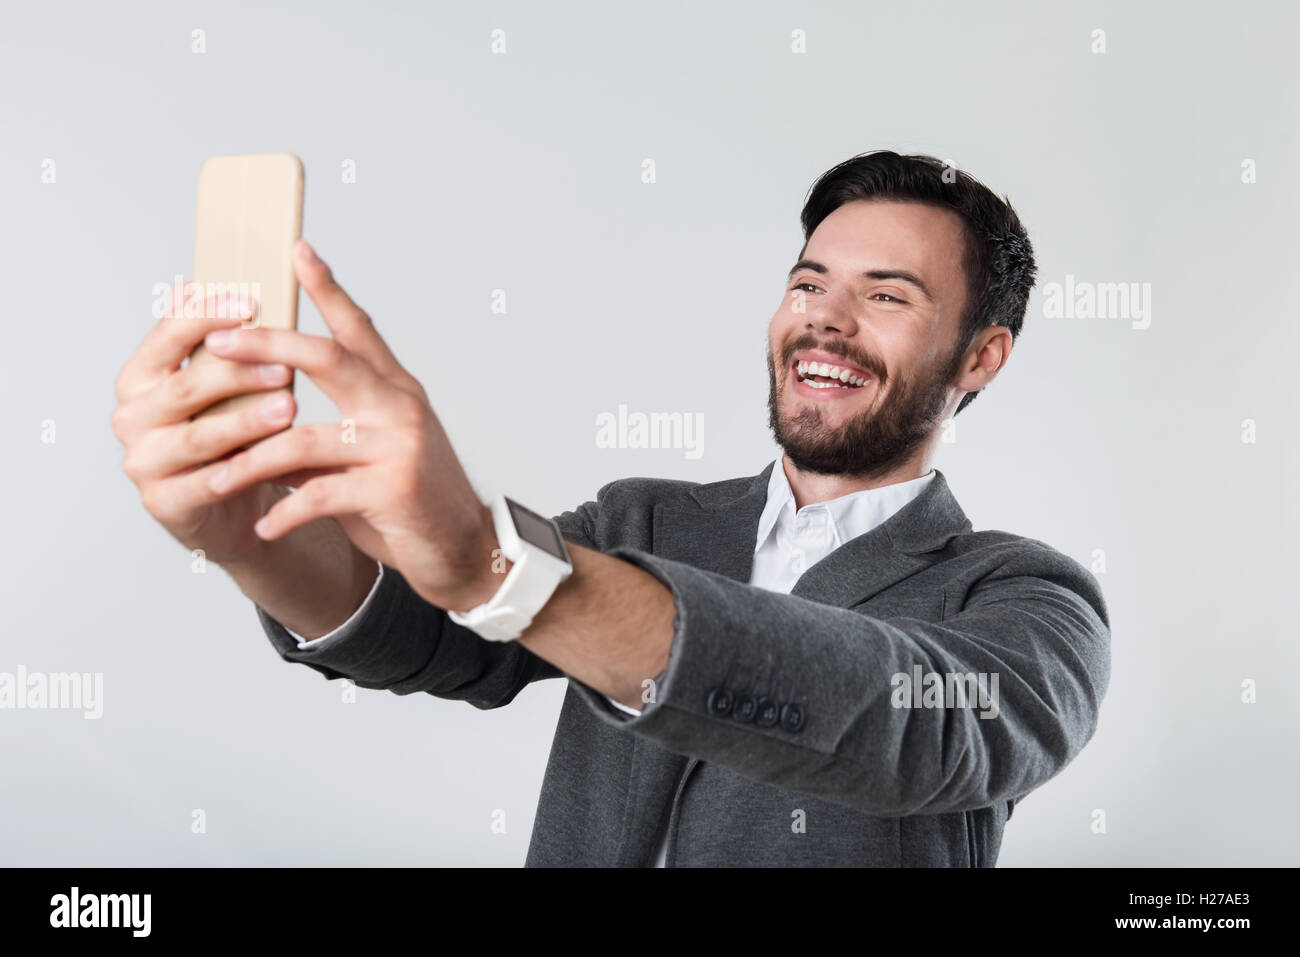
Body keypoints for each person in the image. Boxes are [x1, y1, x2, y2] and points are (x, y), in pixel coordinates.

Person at [112, 150, 1110, 866]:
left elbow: (917, 727)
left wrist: (503, 568)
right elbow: (441, 636)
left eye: (886, 296)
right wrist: (254, 540)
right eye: (809, 281)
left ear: (980, 356)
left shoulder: (1026, 599)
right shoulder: (643, 522)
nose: (825, 318)